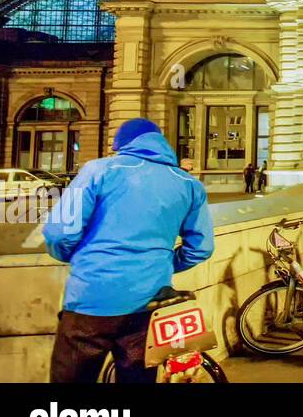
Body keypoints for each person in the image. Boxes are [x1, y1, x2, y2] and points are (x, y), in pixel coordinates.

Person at [43, 118, 214, 383]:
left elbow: (59, 232)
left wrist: (79, 258)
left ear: (121, 145)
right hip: (149, 302)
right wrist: (164, 265)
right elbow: (201, 248)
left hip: (92, 298)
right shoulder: (188, 184)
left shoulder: (99, 171)